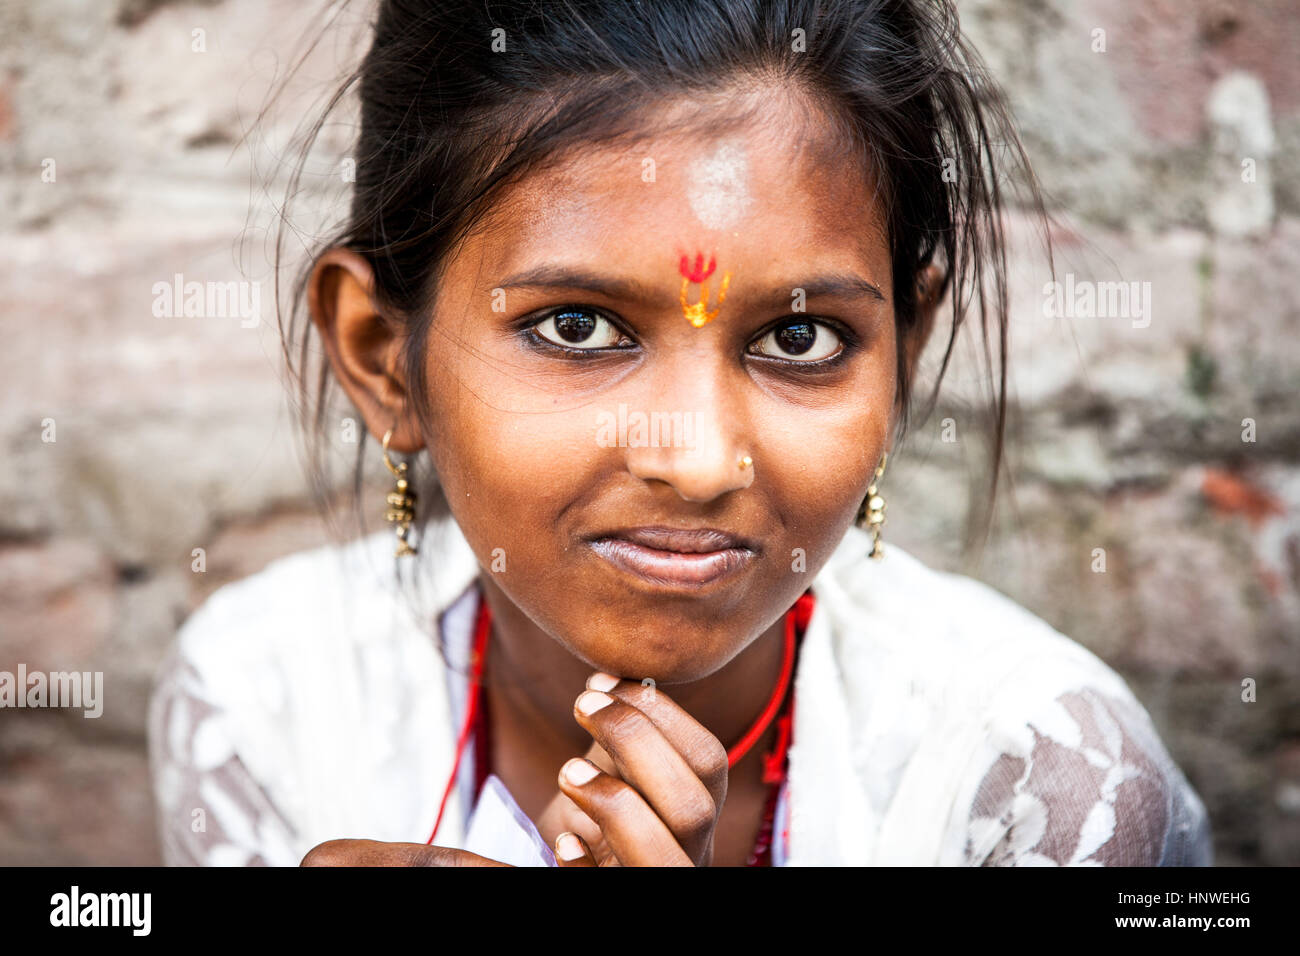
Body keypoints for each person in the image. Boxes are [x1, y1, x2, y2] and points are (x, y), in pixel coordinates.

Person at [147, 0, 1213, 866]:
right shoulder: (265, 699)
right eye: (576, 326)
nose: (699, 458)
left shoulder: (1038, 783)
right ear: (384, 355)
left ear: (903, 352)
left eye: (801, 336)